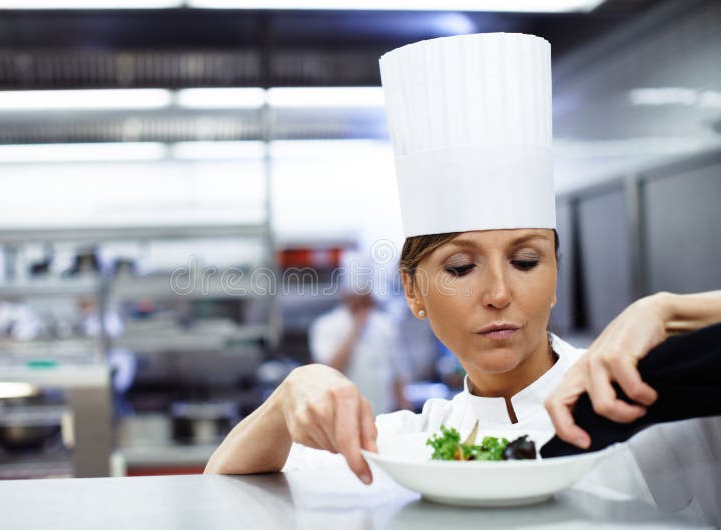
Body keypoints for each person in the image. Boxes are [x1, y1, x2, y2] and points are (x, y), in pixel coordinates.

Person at [205, 33, 719, 499]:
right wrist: (286, 398)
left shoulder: (657, 398)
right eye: (460, 268)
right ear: (413, 291)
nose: (498, 292)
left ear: (555, 274)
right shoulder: (405, 449)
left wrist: (672, 311)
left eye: (525, 260)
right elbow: (222, 493)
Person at [308, 254, 409, 415]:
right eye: (357, 298)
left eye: (364, 298)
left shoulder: (385, 326)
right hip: (342, 417)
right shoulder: (326, 326)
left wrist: (407, 412)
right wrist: (356, 328)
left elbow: (398, 377)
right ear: (345, 295)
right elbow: (329, 371)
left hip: (383, 416)